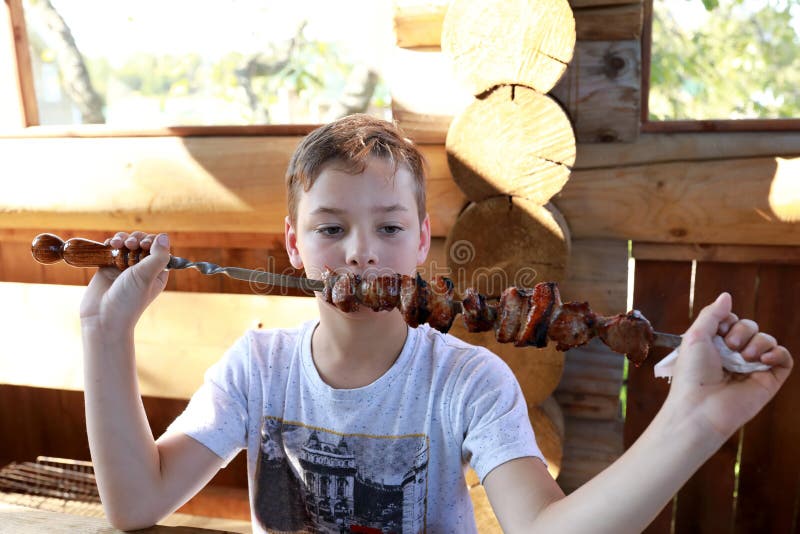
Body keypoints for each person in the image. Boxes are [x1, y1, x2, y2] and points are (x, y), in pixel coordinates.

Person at [80, 114, 793, 533]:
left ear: (422, 241)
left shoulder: (469, 381)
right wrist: (105, 334)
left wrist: (697, 423)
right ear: (295, 247)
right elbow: (135, 502)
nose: (361, 250)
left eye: (388, 226)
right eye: (331, 227)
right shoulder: (256, 369)